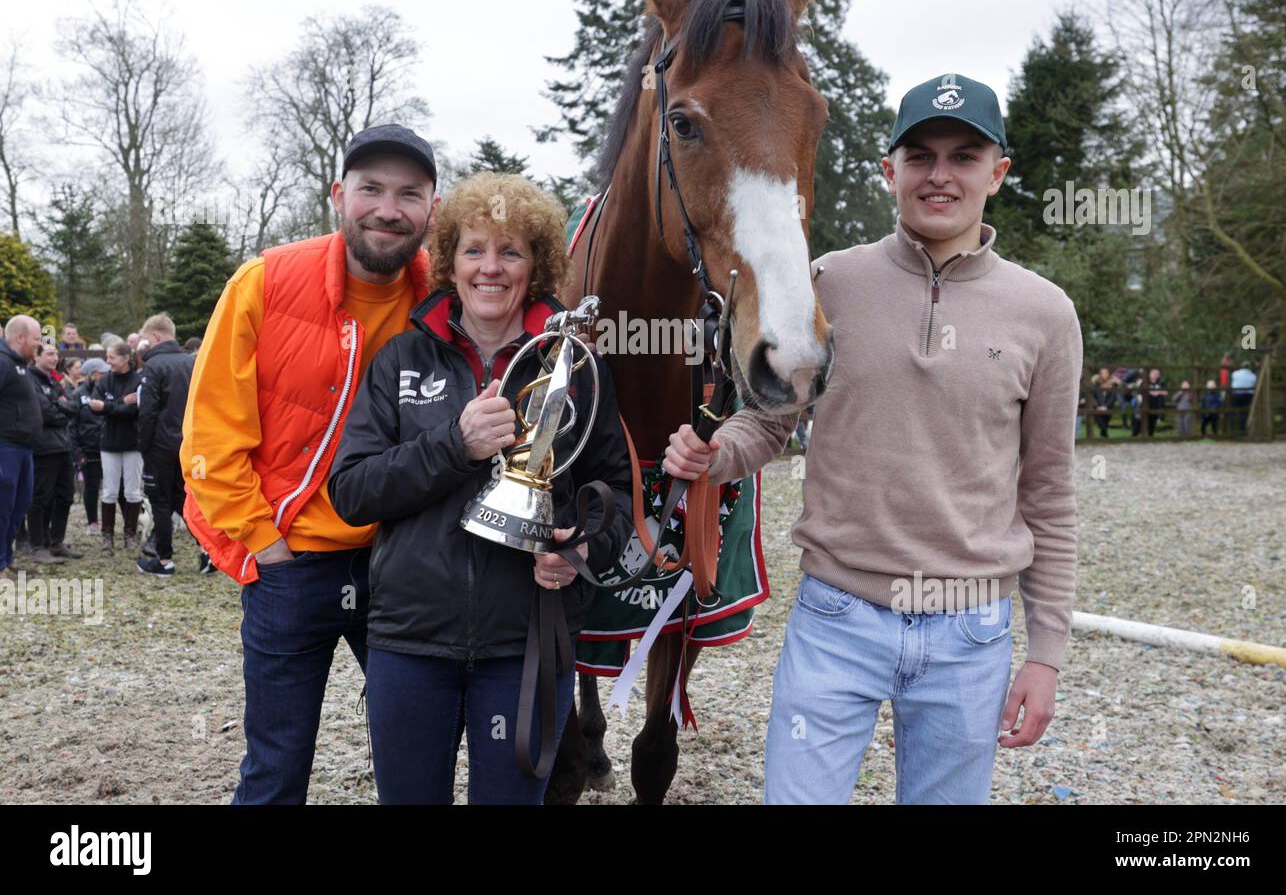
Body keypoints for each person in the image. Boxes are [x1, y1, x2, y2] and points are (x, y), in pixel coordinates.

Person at [666, 74, 1082, 805]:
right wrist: (714, 454)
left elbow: (1048, 493)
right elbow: (768, 421)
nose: (940, 175)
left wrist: (1045, 654)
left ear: (999, 172)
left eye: (964, 156)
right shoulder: (827, 280)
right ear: (890, 171)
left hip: (971, 633)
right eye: (919, 156)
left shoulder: (1046, 314)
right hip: (838, 618)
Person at [328, 172, 633, 805]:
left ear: (537, 264)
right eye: (474, 250)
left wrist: (579, 551)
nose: (490, 268)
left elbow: (617, 495)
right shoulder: (400, 360)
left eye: (510, 251)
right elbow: (352, 492)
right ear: (450, 262)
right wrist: (454, 446)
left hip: (526, 648)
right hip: (409, 643)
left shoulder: (575, 367)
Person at [181, 123, 439, 804]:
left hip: (400, 568)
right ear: (338, 195)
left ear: (432, 210)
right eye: (371, 188)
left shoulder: (449, 301)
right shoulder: (263, 281)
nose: (389, 207)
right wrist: (266, 544)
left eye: (409, 193)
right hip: (292, 564)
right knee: (276, 767)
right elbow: (209, 436)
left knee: (416, 761)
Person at [134, 313, 197, 576]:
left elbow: (147, 411)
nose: (144, 344)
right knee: (185, 499)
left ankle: (164, 561)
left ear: (156, 336)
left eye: (147, 338)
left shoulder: (154, 365)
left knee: (160, 501)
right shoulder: (192, 363)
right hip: (188, 443)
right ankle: (209, 553)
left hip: (160, 445)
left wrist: (143, 444)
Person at [28, 344, 81, 562]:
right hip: (44, 448)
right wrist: (61, 409)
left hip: (63, 446)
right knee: (41, 498)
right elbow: (44, 413)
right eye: (50, 354)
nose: (55, 358)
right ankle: (38, 545)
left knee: (66, 496)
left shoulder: (54, 380)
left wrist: (60, 408)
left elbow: (74, 406)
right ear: (36, 355)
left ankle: (56, 541)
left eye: (56, 354)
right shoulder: (31, 380)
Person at [90, 341, 144, 551]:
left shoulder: (139, 380)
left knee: (133, 491)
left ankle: (130, 535)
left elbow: (135, 410)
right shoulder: (104, 381)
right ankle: (107, 537)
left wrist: (108, 407)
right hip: (109, 443)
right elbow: (94, 407)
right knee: (109, 491)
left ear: (125, 358)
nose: (108, 361)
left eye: (112, 357)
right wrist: (121, 404)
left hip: (133, 443)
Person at [0, 316, 43, 580]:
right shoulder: (3, 363)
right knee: (2, 507)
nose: (39, 344)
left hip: (24, 448)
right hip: (5, 448)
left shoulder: (20, 365)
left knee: (19, 505)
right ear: (20, 338)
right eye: (37, 339)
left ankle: (7, 559)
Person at [72, 358, 109, 535]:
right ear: (93, 374)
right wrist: (77, 451)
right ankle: (92, 522)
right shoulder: (78, 394)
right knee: (92, 487)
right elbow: (72, 424)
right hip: (89, 449)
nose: (106, 375)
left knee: (116, 488)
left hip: (110, 447)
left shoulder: (109, 391)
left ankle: (127, 522)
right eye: (102, 372)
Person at [1091, 366, 1119, 438]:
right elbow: (1092, 396)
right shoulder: (1096, 384)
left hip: (1108, 407)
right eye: (1102, 373)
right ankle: (1105, 435)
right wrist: (1097, 406)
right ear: (1100, 374)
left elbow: (1113, 397)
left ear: (1109, 374)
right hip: (1097, 407)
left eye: (1106, 373)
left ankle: (1103, 436)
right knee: (1102, 424)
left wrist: (1106, 406)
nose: (1104, 374)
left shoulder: (1113, 384)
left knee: (1105, 423)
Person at [1230, 361, 1257, 433]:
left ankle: (1232, 428)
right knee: (1244, 412)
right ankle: (1242, 429)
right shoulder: (1253, 375)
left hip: (1236, 394)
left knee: (1233, 410)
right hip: (1248, 395)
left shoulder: (1235, 373)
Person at [1144, 367, 1168, 437]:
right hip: (1147, 405)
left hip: (1156, 405)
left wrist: (1158, 392)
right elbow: (1142, 391)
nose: (1155, 375)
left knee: (1153, 422)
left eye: (1157, 374)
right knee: (1146, 421)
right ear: (1150, 374)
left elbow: (1166, 392)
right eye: (1154, 374)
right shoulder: (1146, 381)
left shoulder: (1161, 382)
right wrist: (1152, 392)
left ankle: (1150, 436)